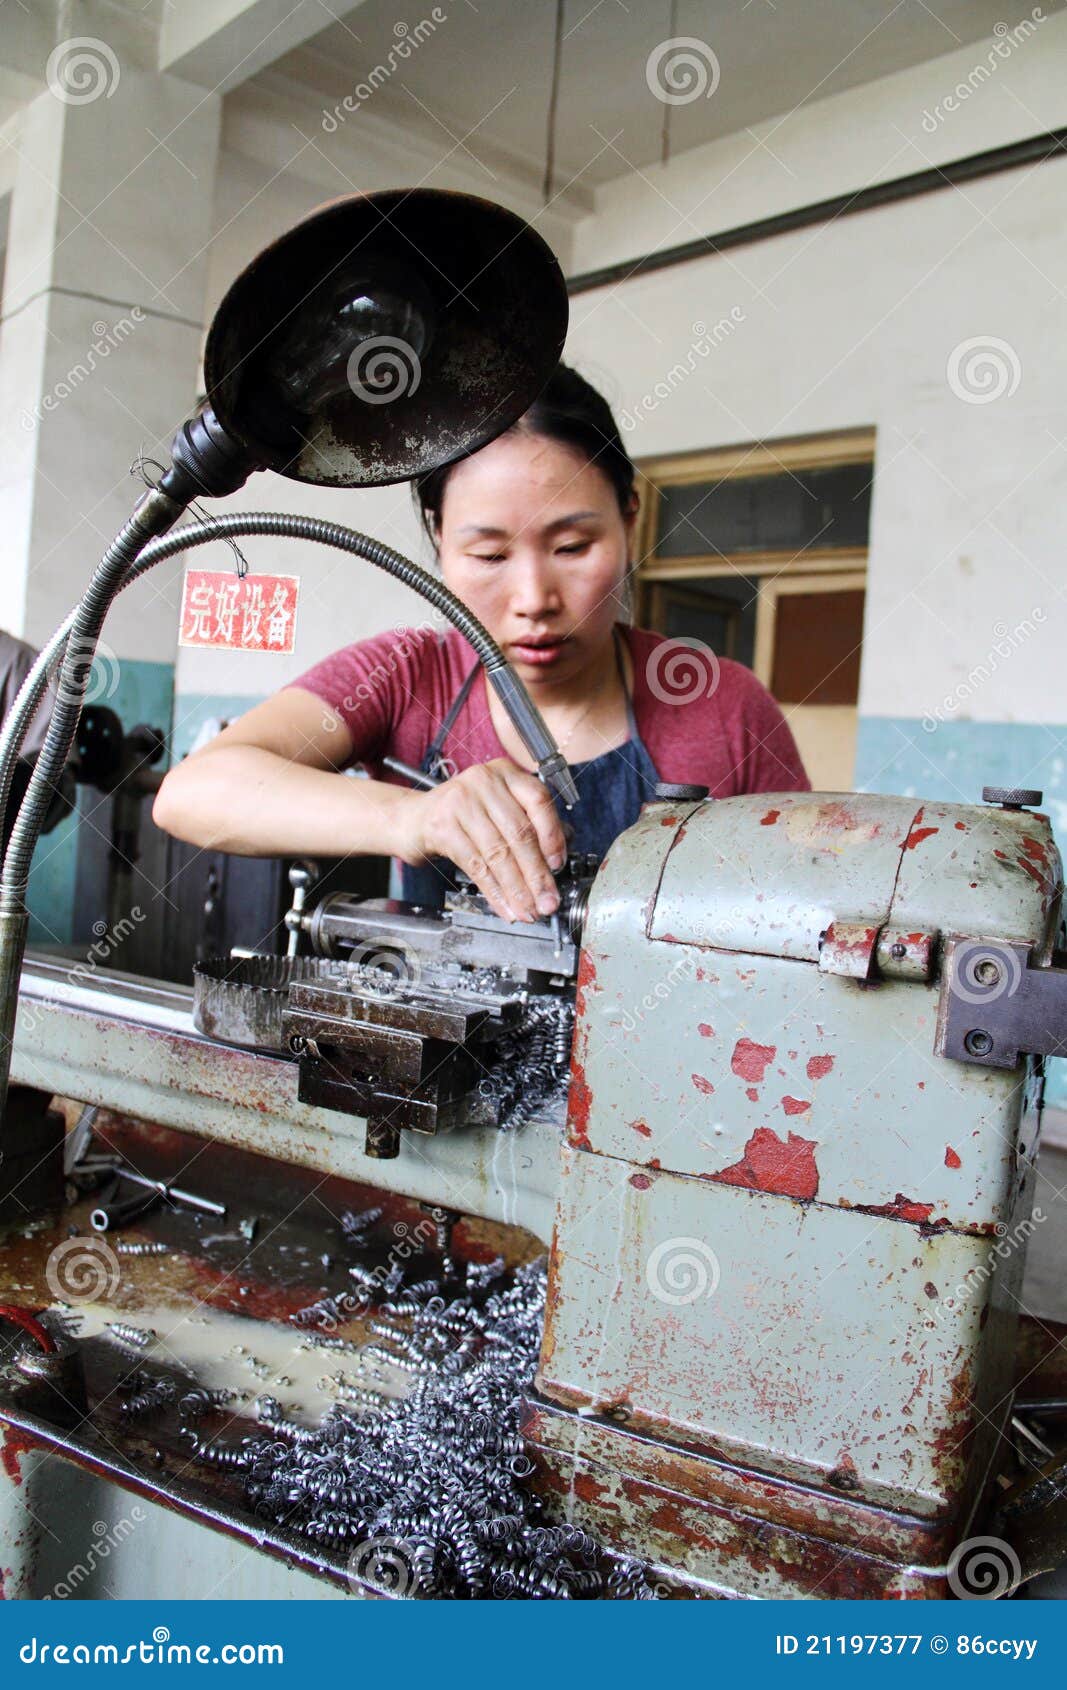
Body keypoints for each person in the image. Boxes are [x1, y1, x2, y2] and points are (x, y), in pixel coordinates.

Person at [153, 365, 809, 923]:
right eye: (489, 554)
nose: (533, 598)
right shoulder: (408, 675)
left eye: (572, 547)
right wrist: (414, 819)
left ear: (629, 520)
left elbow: (806, 907)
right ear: (439, 540)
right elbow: (196, 791)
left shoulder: (723, 706)